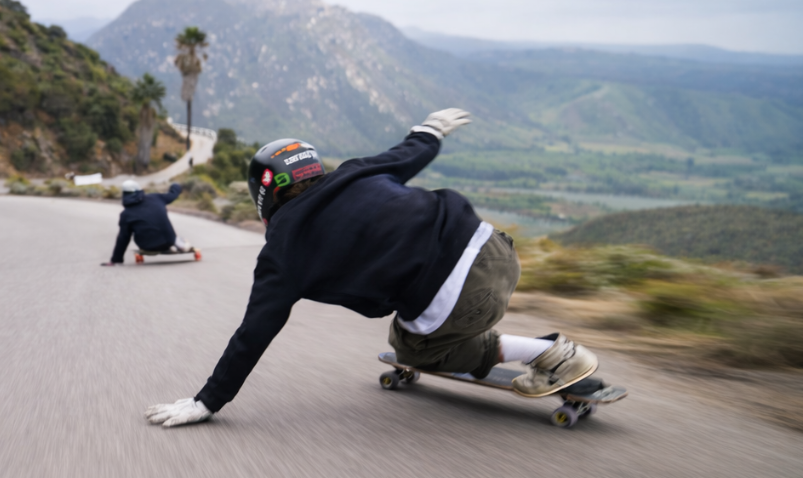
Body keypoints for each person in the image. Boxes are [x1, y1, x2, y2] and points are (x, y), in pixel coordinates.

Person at [144, 109, 600, 427]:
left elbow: (253, 333)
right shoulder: (353, 171)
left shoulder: (282, 251)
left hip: (455, 299)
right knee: (425, 314)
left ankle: (548, 352)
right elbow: (410, 152)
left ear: (263, 192)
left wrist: (208, 400)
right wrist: (432, 127)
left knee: (412, 349)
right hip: (497, 249)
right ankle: (528, 346)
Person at [102, 180, 192, 266]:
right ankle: (179, 244)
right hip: (169, 241)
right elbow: (173, 194)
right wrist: (175, 185)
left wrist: (116, 259)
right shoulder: (156, 198)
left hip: (147, 246)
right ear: (139, 190)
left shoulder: (125, 214)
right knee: (179, 239)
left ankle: (167, 244)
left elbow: (123, 238)